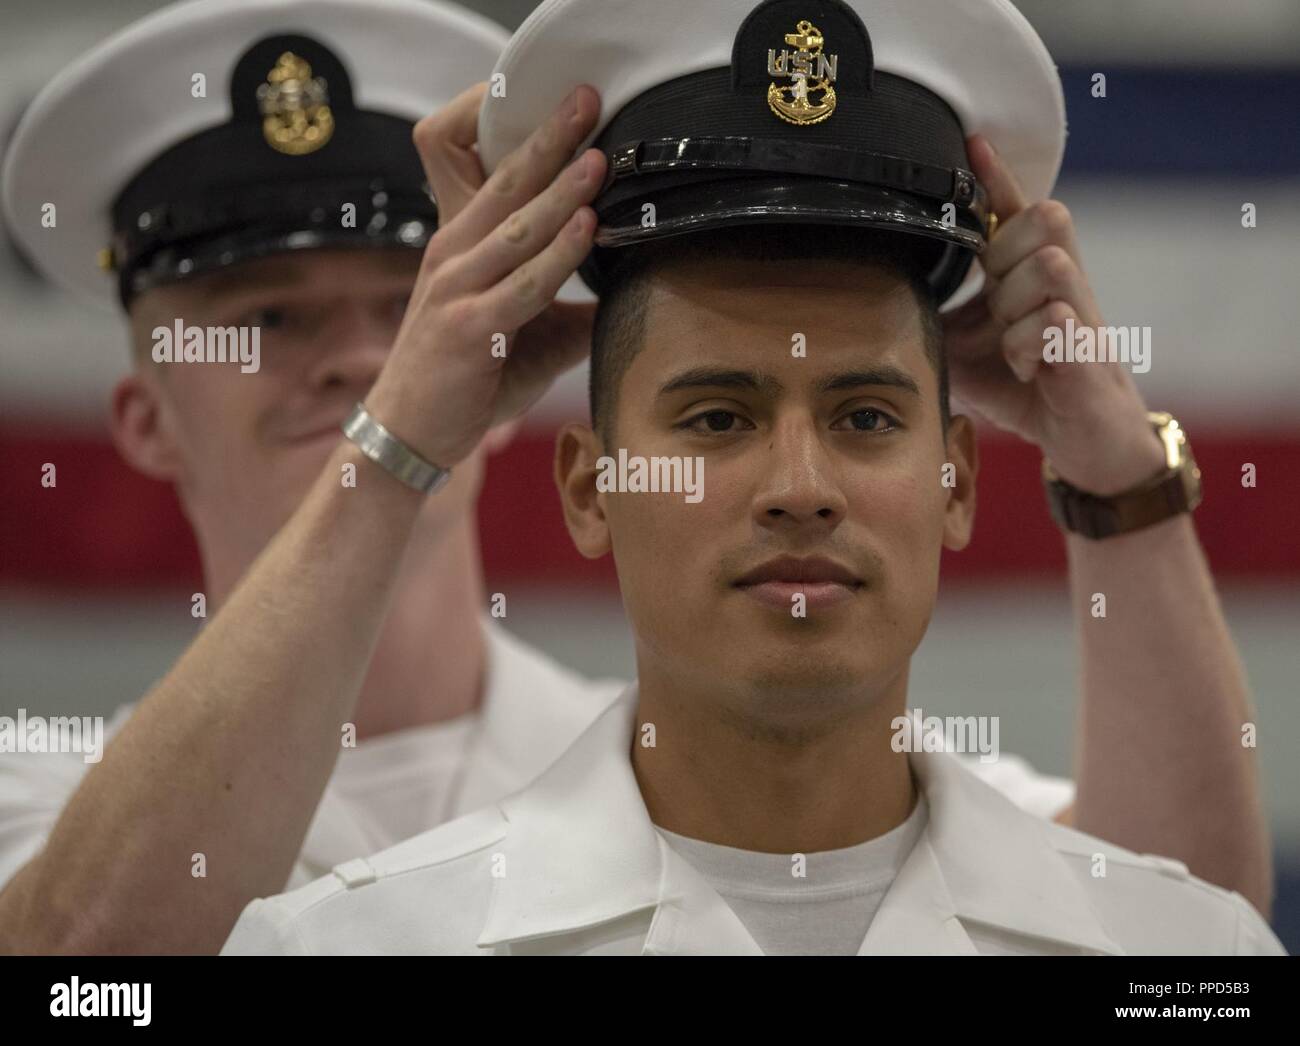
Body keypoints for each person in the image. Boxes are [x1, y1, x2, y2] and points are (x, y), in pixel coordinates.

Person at [0, 0, 1270, 956]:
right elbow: (82, 968)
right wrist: (398, 439)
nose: (360, 362)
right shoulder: (55, 790)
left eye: (410, 309)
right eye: (269, 319)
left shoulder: (730, 725)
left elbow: (1182, 920)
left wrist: (1119, 476)